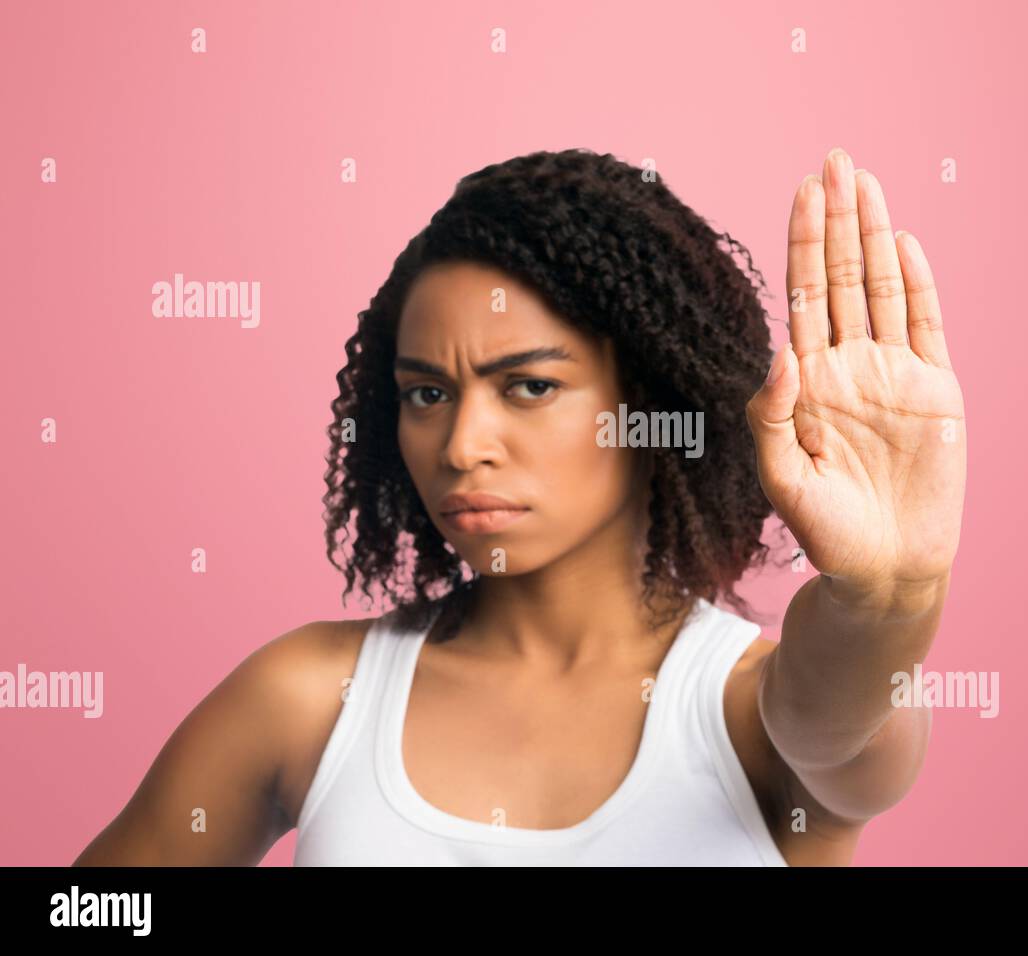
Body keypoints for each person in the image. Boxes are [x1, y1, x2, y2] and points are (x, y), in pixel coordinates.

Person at [73, 146, 966, 867]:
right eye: (427, 395)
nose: (463, 446)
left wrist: (889, 598)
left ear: (650, 403)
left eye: (529, 386)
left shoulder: (748, 715)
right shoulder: (311, 698)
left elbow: (845, 719)